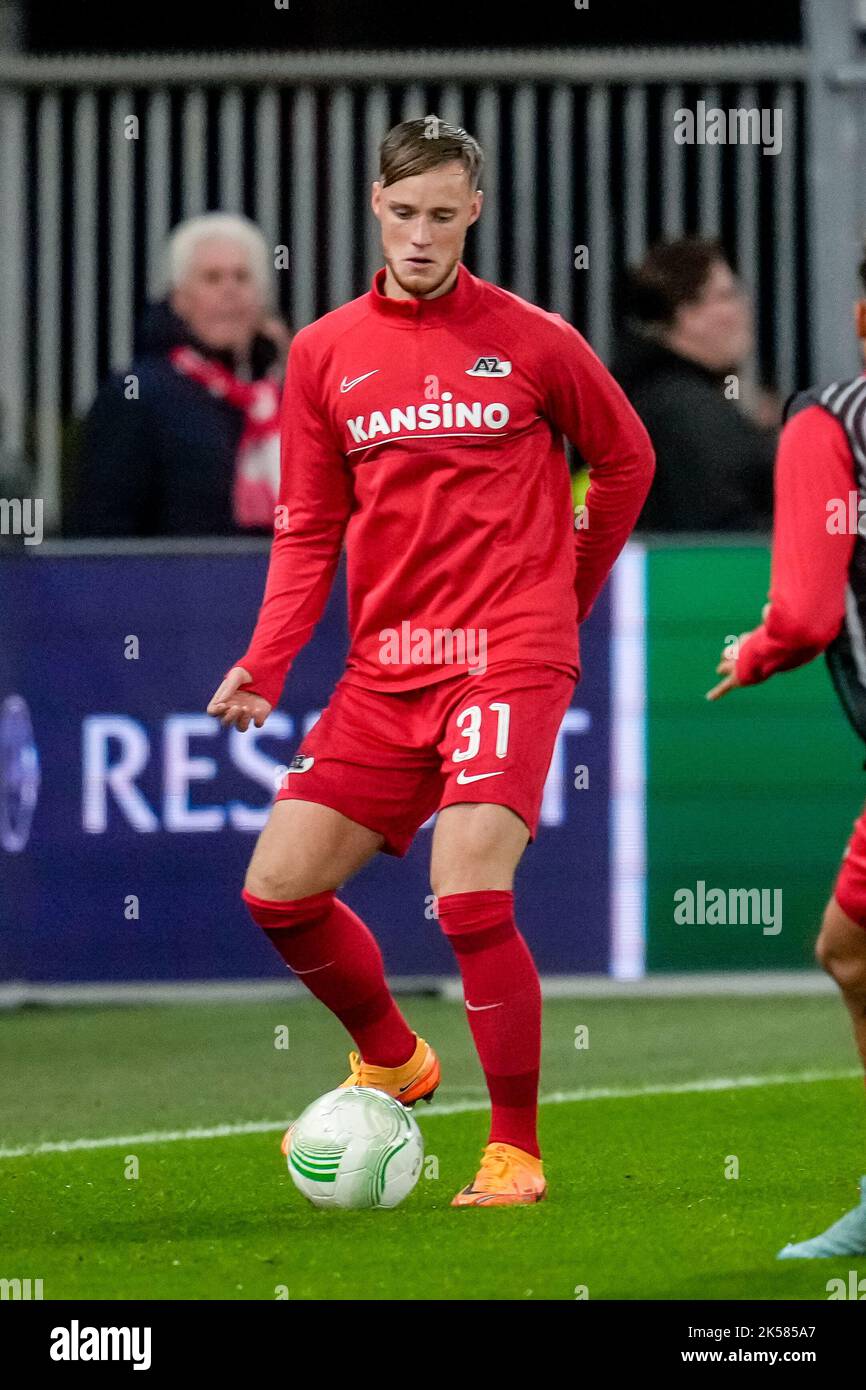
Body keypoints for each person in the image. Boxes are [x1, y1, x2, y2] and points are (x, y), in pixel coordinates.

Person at [208, 118, 654, 1207]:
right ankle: (397, 1058)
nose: (419, 235)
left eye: (441, 215)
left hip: (506, 653)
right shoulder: (322, 352)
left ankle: (513, 1151)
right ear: (375, 205)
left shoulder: (534, 340)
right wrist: (264, 661)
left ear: (473, 213)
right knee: (277, 890)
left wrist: (562, 596)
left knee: (466, 893)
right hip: (387, 664)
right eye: (403, 213)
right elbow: (308, 525)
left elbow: (625, 459)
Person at [707, 245, 866, 1257]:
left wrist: (755, 649)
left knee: (849, 951)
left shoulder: (829, 421)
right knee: (849, 945)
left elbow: (806, 614)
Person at [70, 212, 288, 537]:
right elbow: (102, 537)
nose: (230, 291)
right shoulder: (138, 395)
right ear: (179, 299)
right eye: (212, 278)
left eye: (242, 277)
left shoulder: (285, 398)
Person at [612, 236, 776, 532]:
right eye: (726, 296)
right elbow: (724, 527)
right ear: (686, 314)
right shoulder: (682, 407)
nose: (743, 309)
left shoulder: (655, 394)